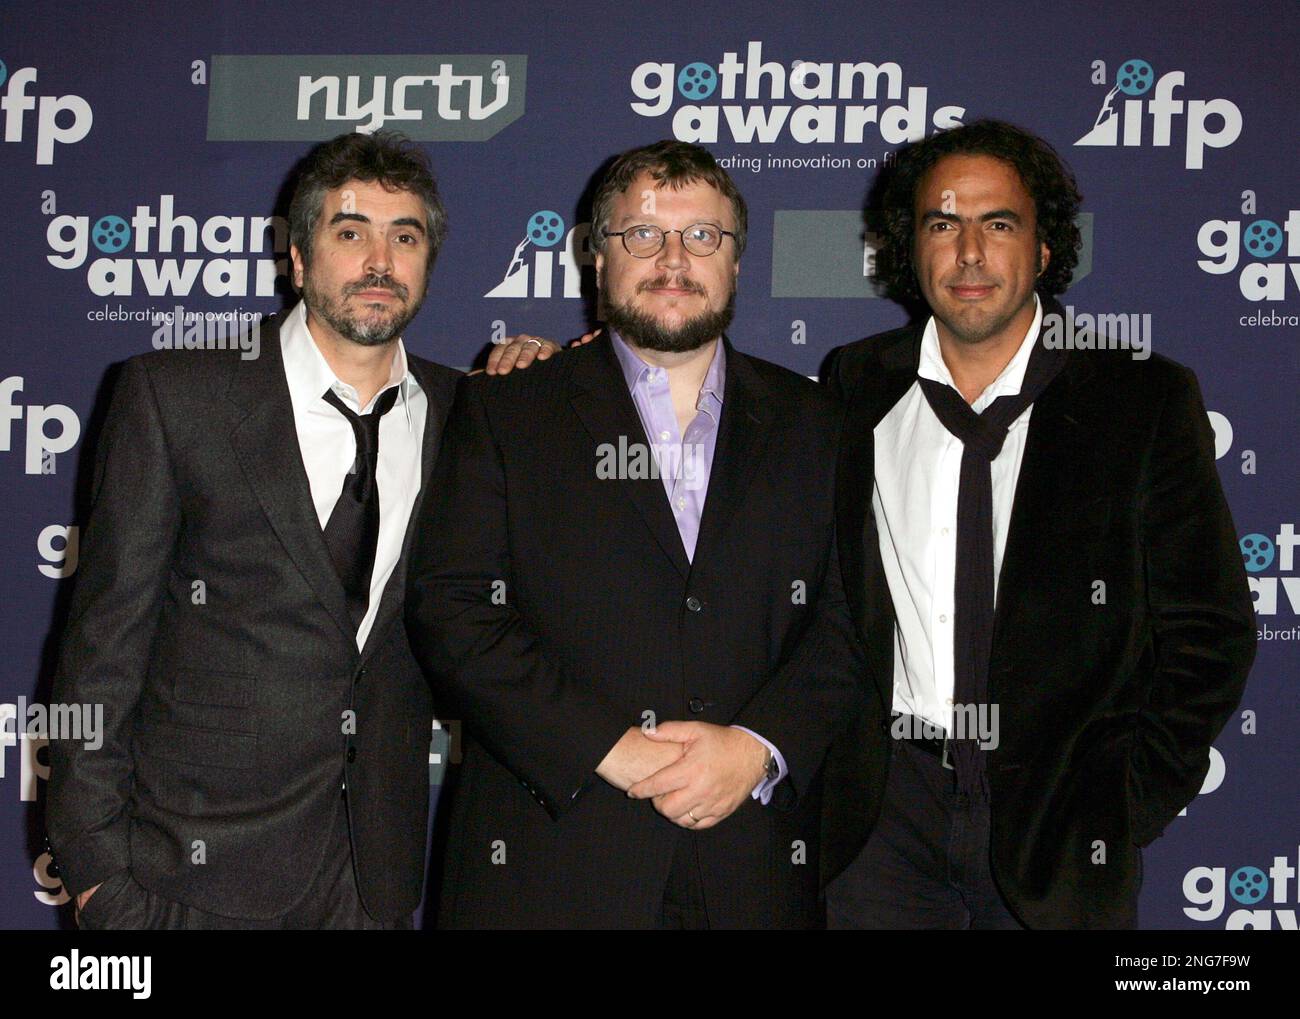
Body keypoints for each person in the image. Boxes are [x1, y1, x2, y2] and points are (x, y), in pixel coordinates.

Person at [45, 130, 556, 929]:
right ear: (297, 256)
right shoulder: (177, 397)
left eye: (405, 236)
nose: (379, 260)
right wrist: (97, 876)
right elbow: (100, 652)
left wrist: (558, 391)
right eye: (351, 233)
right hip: (185, 879)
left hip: (373, 880)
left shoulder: (471, 417)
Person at [405, 140, 866, 929]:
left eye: (703, 237)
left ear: (738, 260)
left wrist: (757, 748)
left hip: (751, 866)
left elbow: (852, 622)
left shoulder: (820, 422)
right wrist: (614, 748)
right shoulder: (507, 410)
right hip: (549, 866)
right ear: (597, 255)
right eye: (642, 236)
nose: (673, 259)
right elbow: (455, 612)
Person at [820, 119, 1256, 929]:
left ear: (1047, 248)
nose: (971, 253)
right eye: (942, 224)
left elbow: (1212, 629)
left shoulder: (1141, 397)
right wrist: (573, 364)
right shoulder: (856, 383)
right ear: (910, 250)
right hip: (885, 822)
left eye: (1000, 223)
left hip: (1060, 823)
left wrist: (1121, 804)